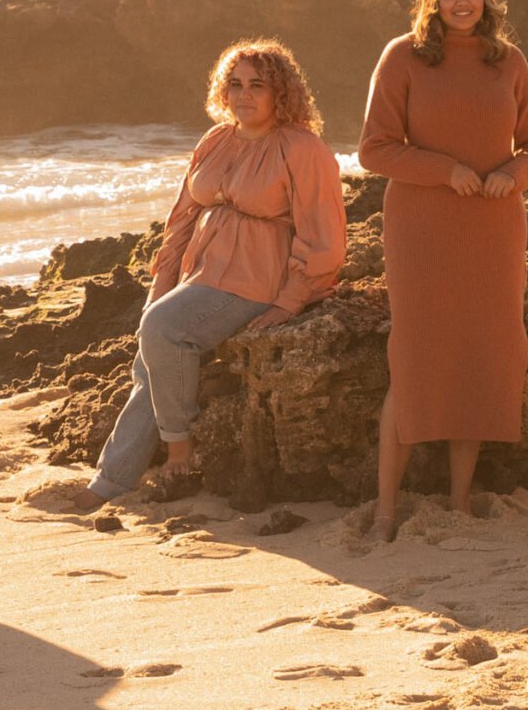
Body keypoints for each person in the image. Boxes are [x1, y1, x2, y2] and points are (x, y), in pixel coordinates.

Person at [57, 40, 346, 508]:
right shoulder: (215, 141)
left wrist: (289, 301)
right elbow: (181, 220)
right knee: (152, 357)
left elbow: (323, 235)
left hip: (258, 280)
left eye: (258, 85)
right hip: (203, 273)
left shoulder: (302, 149)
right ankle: (112, 480)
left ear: (282, 94)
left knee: (164, 333)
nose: (244, 95)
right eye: (235, 84)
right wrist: (162, 284)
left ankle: (179, 450)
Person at [361, 0, 528, 541]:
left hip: (492, 230)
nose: (462, 1)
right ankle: (386, 510)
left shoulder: (508, 61)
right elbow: (374, 149)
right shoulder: (404, 58)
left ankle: (461, 502)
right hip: (421, 231)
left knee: (475, 358)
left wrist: (512, 175)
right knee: (414, 359)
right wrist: (445, 169)